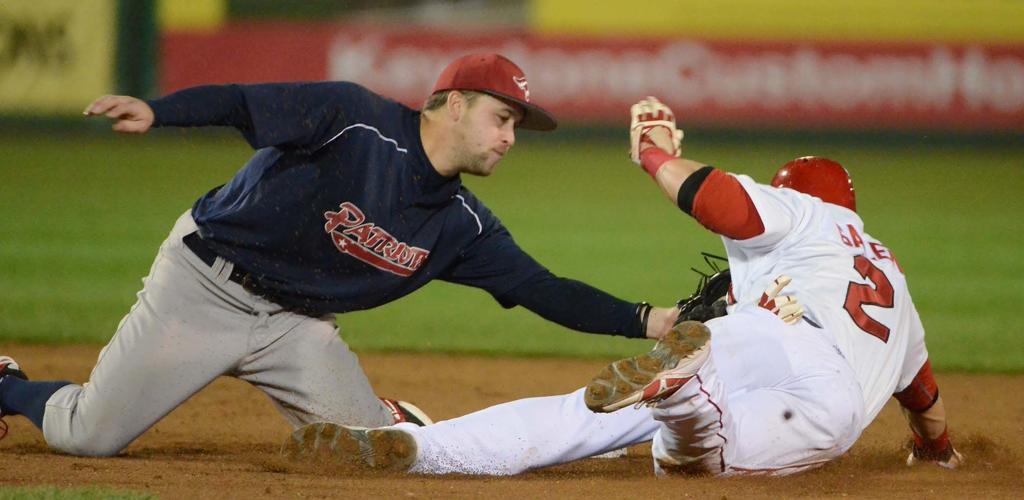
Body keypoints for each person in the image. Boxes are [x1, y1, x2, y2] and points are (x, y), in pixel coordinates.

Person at [0, 55, 680, 455]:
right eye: (501, 119)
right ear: (452, 103)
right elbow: (241, 103)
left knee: (380, 456)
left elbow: (544, 288)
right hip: (205, 287)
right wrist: (158, 111)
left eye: (516, 128)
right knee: (85, 435)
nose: (509, 138)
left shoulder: (464, 225)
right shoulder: (352, 117)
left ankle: (381, 414)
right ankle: (6, 384)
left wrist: (653, 320)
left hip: (295, 330)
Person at [282, 97, 961, 476]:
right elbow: (923, 395)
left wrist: (657, 156)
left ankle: (424, 452)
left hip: (754, 338)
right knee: (693, 463)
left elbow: (727, 202)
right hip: (819, 381)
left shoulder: (803, 213)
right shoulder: (888, 273)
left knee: (584, 414)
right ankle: (687, 394)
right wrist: (937, 450)